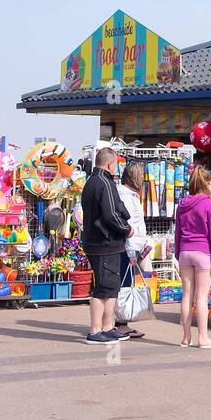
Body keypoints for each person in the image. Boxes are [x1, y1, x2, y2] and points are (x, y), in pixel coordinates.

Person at [80, 146, 133, 345]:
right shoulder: (105, 183)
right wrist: (126, 229)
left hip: (100, 241)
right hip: (104, 242)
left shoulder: (92, 181)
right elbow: (110, 214)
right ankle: (95, 330)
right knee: (103, 288)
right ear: (110, 164)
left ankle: (108, 327)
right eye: (116, 164)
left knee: (111, 287)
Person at [174, 166, 211, 348]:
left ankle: (186, 337)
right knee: (202, 297)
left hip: (185, 252)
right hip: (203, 253)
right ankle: (203, 337)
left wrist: (178, 253)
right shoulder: (210, 205)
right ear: (206, 184)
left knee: (187, 295)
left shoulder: (182, 205)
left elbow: (177, 233)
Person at [112, 161, 152, 340]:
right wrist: (131, 252)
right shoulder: (127, 196)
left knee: (125, 284)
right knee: (124, 286)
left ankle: (122, 323)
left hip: (131, 246)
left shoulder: (126, 194)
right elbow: (128, 224)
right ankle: (121, 324)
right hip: (128, 247)